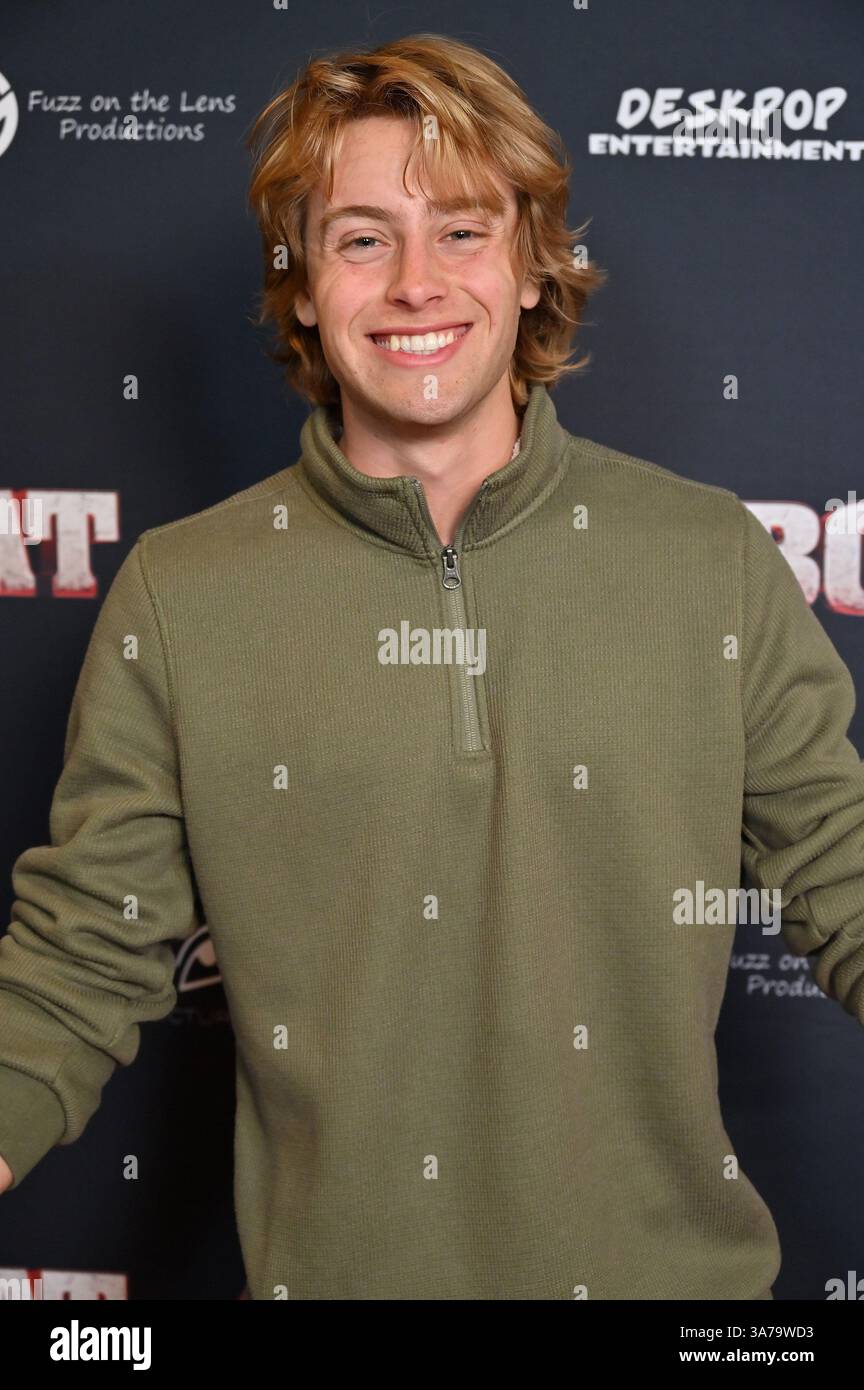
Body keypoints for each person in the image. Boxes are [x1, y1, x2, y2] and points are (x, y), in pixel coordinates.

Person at [1, 32, 862, 1301]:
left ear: (531, 266)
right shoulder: (183, 595)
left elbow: (841, 866)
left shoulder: (709, 559)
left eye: (462, 230)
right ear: (302, 286)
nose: (415, 282)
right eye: (361, 238)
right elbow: (81, 957)